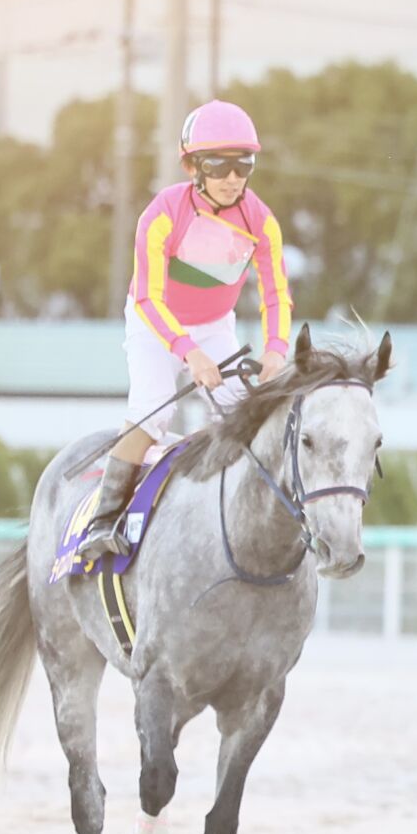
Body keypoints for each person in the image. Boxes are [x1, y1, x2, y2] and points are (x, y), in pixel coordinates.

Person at [79, 100, 295, 561]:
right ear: (194, 166)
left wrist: (277, 350)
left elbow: (276, 294)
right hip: (156, 323)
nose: (233, 177)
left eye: (244, 165)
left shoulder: (261, 220)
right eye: (219, 165)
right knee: (153, 409)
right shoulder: (161, 213)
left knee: (245, 414)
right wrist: (188, 352)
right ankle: (101, 519)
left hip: (215, 325)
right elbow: (147, 299)